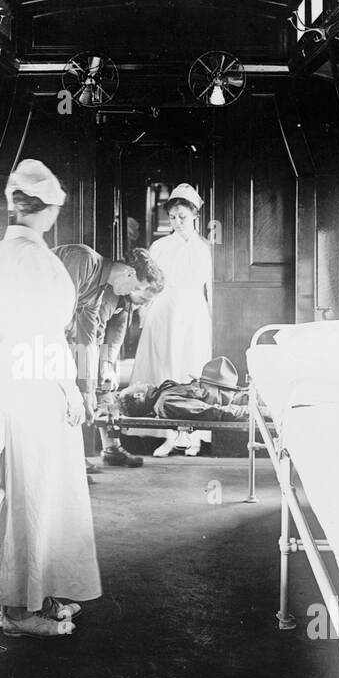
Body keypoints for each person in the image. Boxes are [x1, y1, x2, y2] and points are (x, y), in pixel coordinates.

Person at [0, 160, 102, 639]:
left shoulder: (8, 252)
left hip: (26, 374)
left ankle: (38, 591)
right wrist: (67, 387)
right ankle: (18, 609)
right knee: (35, 491)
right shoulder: (29, 257)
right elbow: (40, 332)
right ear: (45, 209)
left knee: (43, 490)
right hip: (37, 380)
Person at [54, 243, 165, 468]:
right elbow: (61, 314)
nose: (142, 300)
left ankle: (104, 450)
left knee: (93, 383)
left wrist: (96, 378)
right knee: (66, 389)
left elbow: (91, 337)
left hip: (64, 337)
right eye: (140, 289)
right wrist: (85, 380)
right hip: (41, 330)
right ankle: (71, 458)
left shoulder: (100, 290)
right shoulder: (83, 260)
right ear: (129, 273)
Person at [130, 183, 213, 456]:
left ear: (195, 217)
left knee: (190, 370)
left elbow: (209, 289)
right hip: (164, 310)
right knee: (165, 370)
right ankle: (168, 434)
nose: (177, 222)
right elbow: (152, 283)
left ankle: (194, 436)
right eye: (173, 217)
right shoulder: (160, 246)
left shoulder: (203, 249)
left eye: (183, 217)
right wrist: (145, 310)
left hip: (191, 313)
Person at [117, 356, 252, 424]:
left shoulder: (164, 394)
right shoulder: (166, 402)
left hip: (240, 394)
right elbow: (211, 411)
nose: (140, 382)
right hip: (244, 401)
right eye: (137, 385)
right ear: (139, 395)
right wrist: (251, 412)